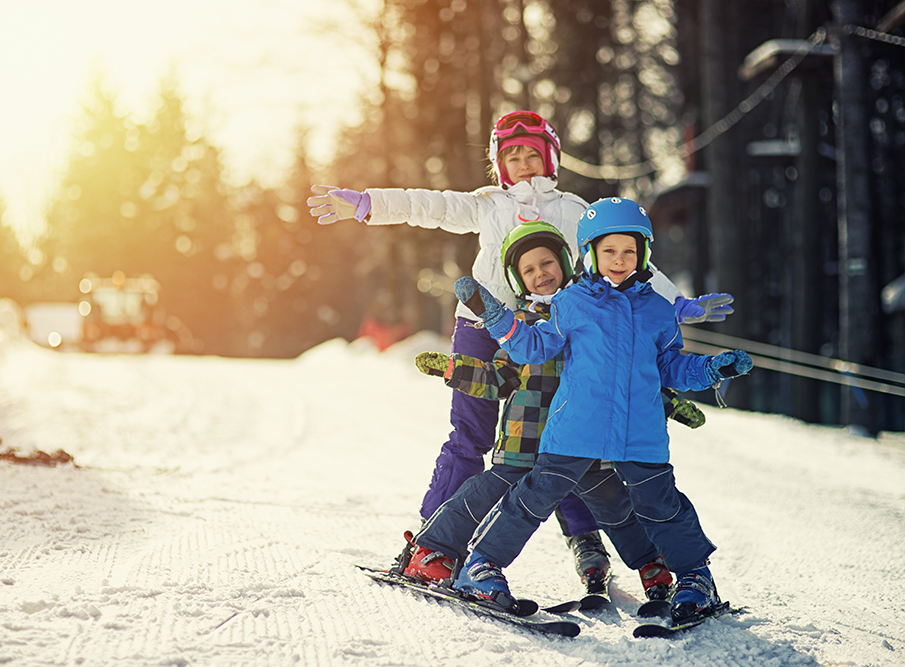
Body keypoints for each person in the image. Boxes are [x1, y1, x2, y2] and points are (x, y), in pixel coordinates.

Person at [306, 110, 733, 583]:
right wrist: (368, 203)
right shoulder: (487, 204)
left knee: (563, 441)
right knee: (470, 437)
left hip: (552, 331)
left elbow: (621, 254)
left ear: (549, 158)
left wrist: (677, 304)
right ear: (499, 165)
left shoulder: (573, 210)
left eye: (533, 154)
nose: (524, 164)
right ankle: (433, 542)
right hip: (482, 329)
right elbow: (429, 205)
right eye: (512, 156)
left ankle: (586, 540)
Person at [449, 197, 753, 624]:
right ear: (590, 253)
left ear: (643, 254)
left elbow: (669, 366)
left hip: (640, 433)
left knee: (662, 507)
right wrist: (497, 318)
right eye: (609, 251)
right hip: (575, 428)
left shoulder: (658, 311)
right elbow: (534, 347)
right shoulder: (571, 303)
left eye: (629, 251)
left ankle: (696, 578)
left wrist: (709, 368)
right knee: (532, 499)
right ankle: (483, 566)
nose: (619, 259)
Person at [403, 220, 701, 604]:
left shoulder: (593, 318)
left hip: (585, 443)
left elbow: (626, 381)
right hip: (526, 442)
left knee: (617, 509)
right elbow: (498, 380)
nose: (540, 274)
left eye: (547, 263)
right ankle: (434, 551)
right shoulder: (519, 325)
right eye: (528, 270)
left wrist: (671, 404)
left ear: (565, 263)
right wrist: (453, 369)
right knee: (484, 495)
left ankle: (651, 565)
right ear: (518, 280)